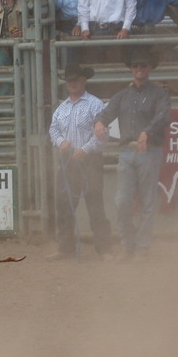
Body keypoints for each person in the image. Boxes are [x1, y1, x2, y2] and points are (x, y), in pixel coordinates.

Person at [94, 48, 170, 261]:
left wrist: (147, 132)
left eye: (143, 65)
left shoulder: (159, 93)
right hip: (128, 151)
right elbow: (106, 113)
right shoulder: (122, 95)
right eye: (135, 65)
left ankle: (141, 248)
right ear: (131, 68)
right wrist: (99, 122)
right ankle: (129, 245)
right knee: (122, 201)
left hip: (149, 151)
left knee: (146, 201)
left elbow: (163, 116)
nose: (139, 68)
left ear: (149, 68)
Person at [46, 64, 112, 260]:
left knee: (95, 205)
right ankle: (65, 248)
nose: (73, 83)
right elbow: (53, 130)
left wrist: (85, 149)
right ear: (67, 84)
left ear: (84, 81)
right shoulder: (61, 108)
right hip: (68, 162)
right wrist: (61, 142)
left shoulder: (95, 104)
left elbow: (103, 133)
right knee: (64, 205)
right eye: (70, 80)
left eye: (76, 79)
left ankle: (104, 249)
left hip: (89, 160)